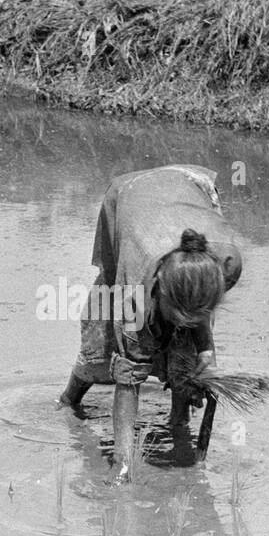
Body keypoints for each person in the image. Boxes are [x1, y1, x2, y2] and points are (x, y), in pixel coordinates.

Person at [58, 164, 242, 480]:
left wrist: (205, 359)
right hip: (130, 199)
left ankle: (178, 419)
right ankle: (69, 398)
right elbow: (128, 384)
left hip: (187, 186)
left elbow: (198, 316)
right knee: (101, 340)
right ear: (159, 292)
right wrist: (123, 464)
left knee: (184, 351)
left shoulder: (225, 264)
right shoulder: (134, 296)